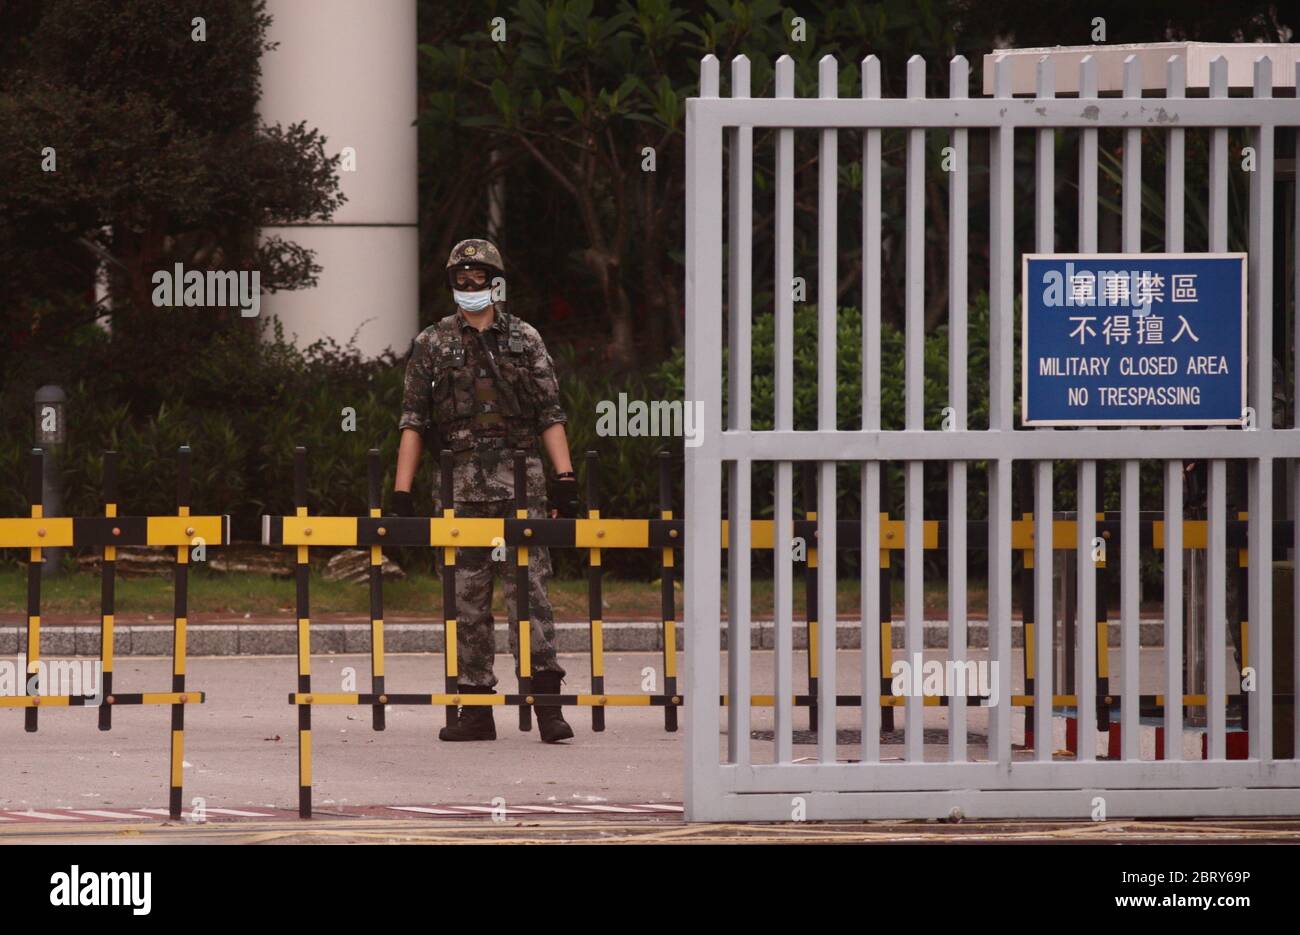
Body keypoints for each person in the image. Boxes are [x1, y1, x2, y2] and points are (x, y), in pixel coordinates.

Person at [391, 238, 580, 743]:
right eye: (462, 278)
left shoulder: (524, 338)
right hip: (458, 490)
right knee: (465, 602)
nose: (471, 285)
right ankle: (475, 709)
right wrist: (400, 495)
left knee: (531, 595)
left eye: (480, 276)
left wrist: (566, 481)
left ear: (496, 279)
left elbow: (549, 414)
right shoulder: (432, 343)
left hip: (522, 486)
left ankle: (548, 705)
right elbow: (413, 420)